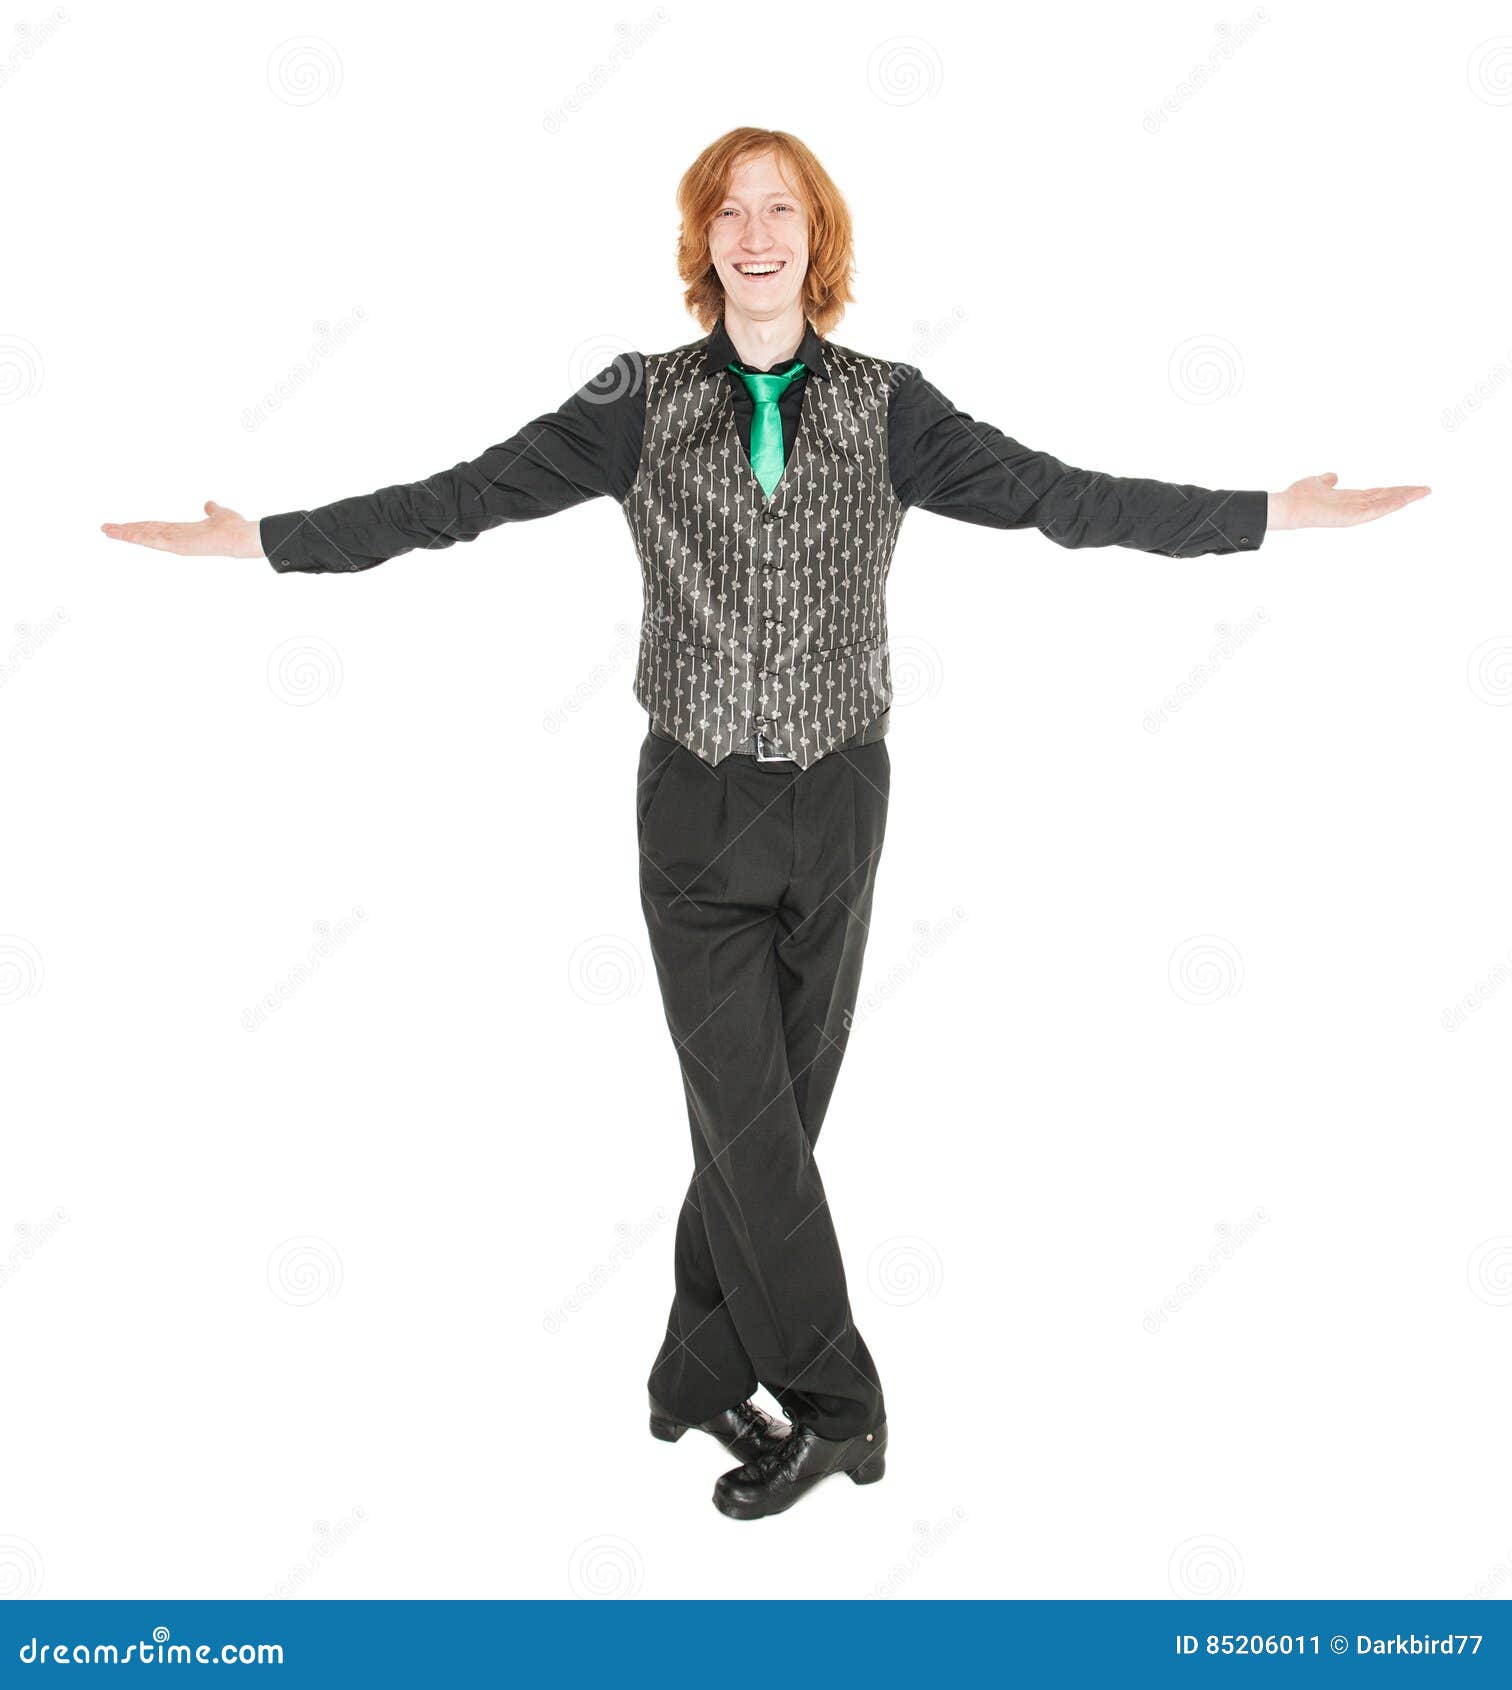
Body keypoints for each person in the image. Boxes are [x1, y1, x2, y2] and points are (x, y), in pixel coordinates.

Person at [101, 126, 1429, 1521]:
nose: (753, 231)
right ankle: (843, 1409)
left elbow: (1060, 498)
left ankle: (691, 1367)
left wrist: (1271, 514)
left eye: (778, 207)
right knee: (749, 1123)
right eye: (728, 210)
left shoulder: (892, 403)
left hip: (843, 799)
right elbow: (467, 496)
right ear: (702, 239)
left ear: (817, 235)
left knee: (772, 1120)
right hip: (697, 809)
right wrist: (268, 539)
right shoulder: (637, 396)